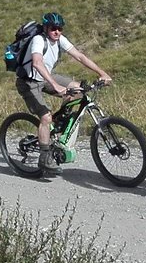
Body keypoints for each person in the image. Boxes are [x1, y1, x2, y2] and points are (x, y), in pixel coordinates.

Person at [15, 12, 112, 176]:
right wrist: (55, 85)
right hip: (29, 82)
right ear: (46, 28)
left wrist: (102, 73)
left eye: (60, 29)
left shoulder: (60, 39)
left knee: (77, 90)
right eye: (53, 28)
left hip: (46, 77)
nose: (57, 32)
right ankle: (44, 158)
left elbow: (80, 56)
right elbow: (37, 63)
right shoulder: (38, 40)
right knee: (46, 117)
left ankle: (59, 122)